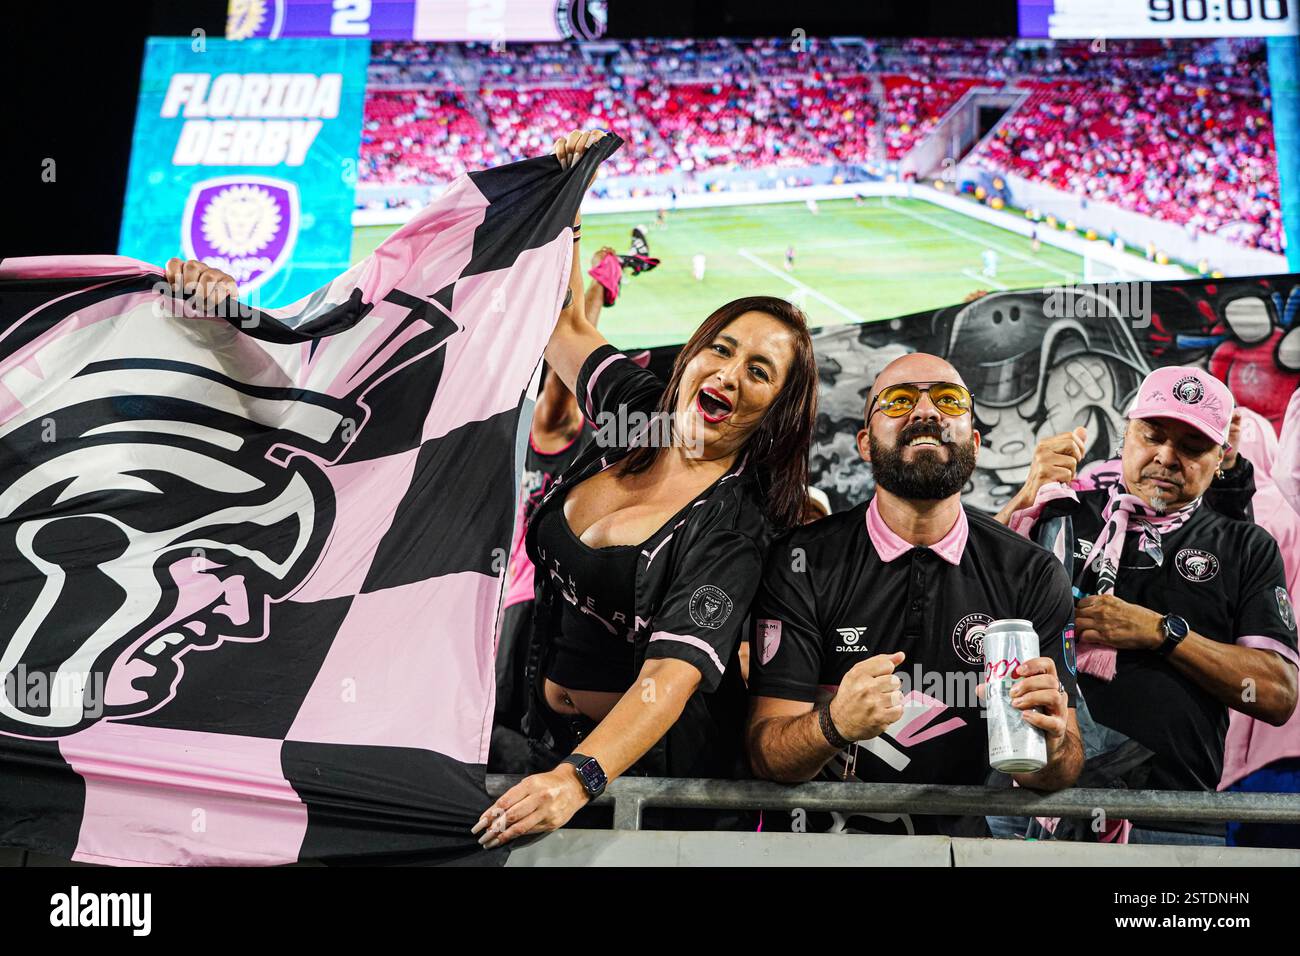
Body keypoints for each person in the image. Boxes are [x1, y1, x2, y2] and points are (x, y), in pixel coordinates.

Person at [481, 129, 821, 847]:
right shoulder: (639, 412)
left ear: (775, 411)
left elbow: (668, 678)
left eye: (758, 371)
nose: (727, 373)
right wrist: (567, 202)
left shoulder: (733, 527)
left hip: (640, 788)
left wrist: (577, 778)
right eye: (721, 348)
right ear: (693, 354)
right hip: (531, 739)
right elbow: (565, 325)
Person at [746, 352, 1083, 837]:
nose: (926, 412)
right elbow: (766, 752)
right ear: (865, 443)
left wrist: (1048, 746)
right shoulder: (802, 561)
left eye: (948, 400)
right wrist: (834, 724)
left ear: (975, 441)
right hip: (818, 854)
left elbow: (1053, 773)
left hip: (958, 852)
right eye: (899, 400)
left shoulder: (1030, 574)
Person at [1000, 366, 1299, 844]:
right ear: (1127, 432)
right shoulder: (1059, 512)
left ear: (1222, 457)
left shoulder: (1245, 546)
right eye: (1153, 434)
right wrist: (1025, 494)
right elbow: (962, 603)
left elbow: (1278, 695)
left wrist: (1163, 633)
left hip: (1170, 820)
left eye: (1192, 446)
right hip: (1024, 807)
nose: (1166, 456)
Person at [492, 246, 618, 773]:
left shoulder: (555, 430)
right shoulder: (531, 431)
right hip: (507, 596)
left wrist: (596, 290)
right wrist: (601, 293)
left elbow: (574, 356)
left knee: (502, 720)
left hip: (525, 600)